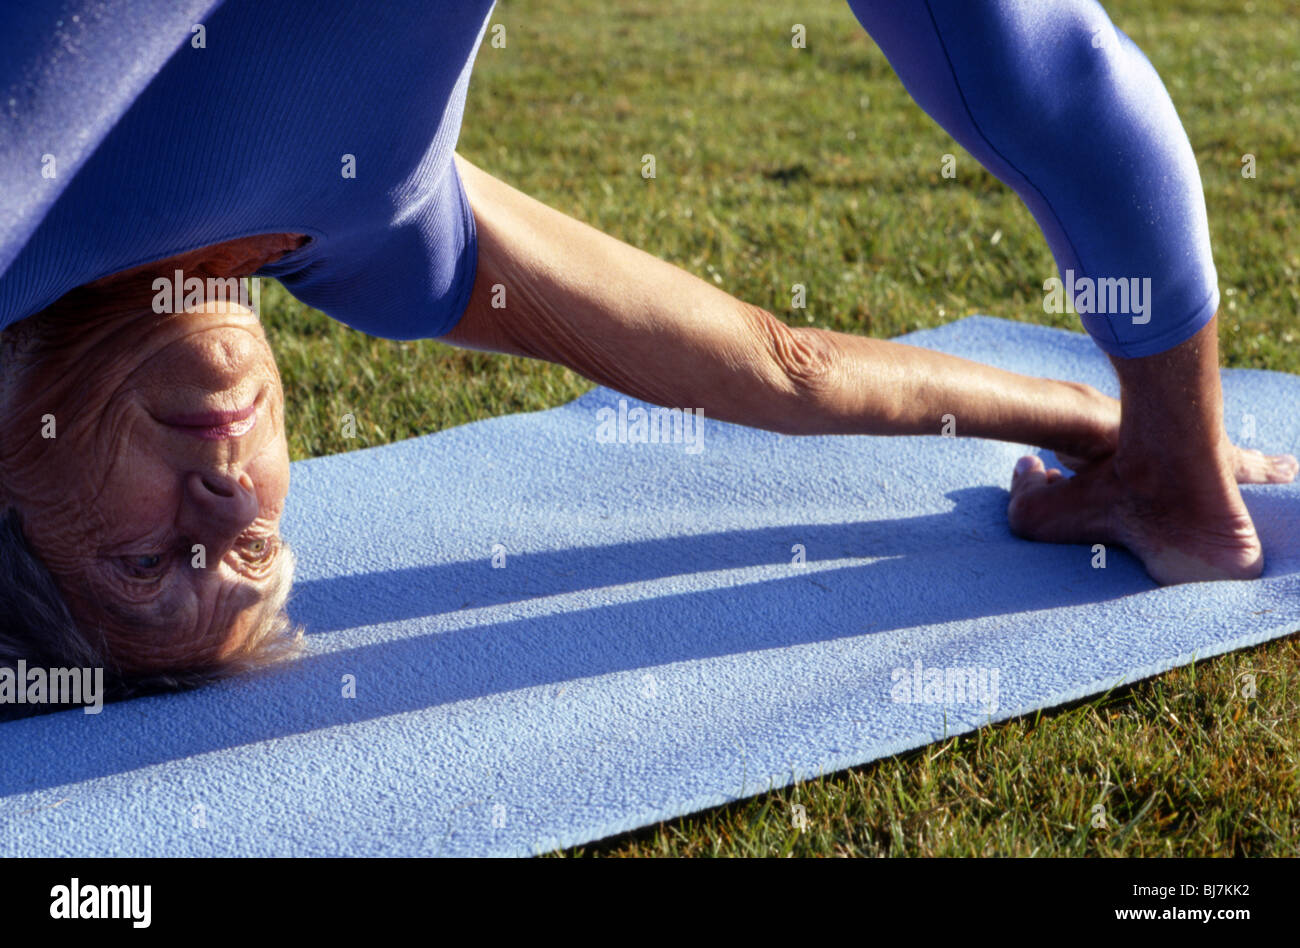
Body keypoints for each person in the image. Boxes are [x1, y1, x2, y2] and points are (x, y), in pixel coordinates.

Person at [0, 0, 1290, 700]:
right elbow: (781, 365)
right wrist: (1112, 429)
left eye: (147, 557)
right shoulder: (385, 240)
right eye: (253, 547)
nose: (223, 500)